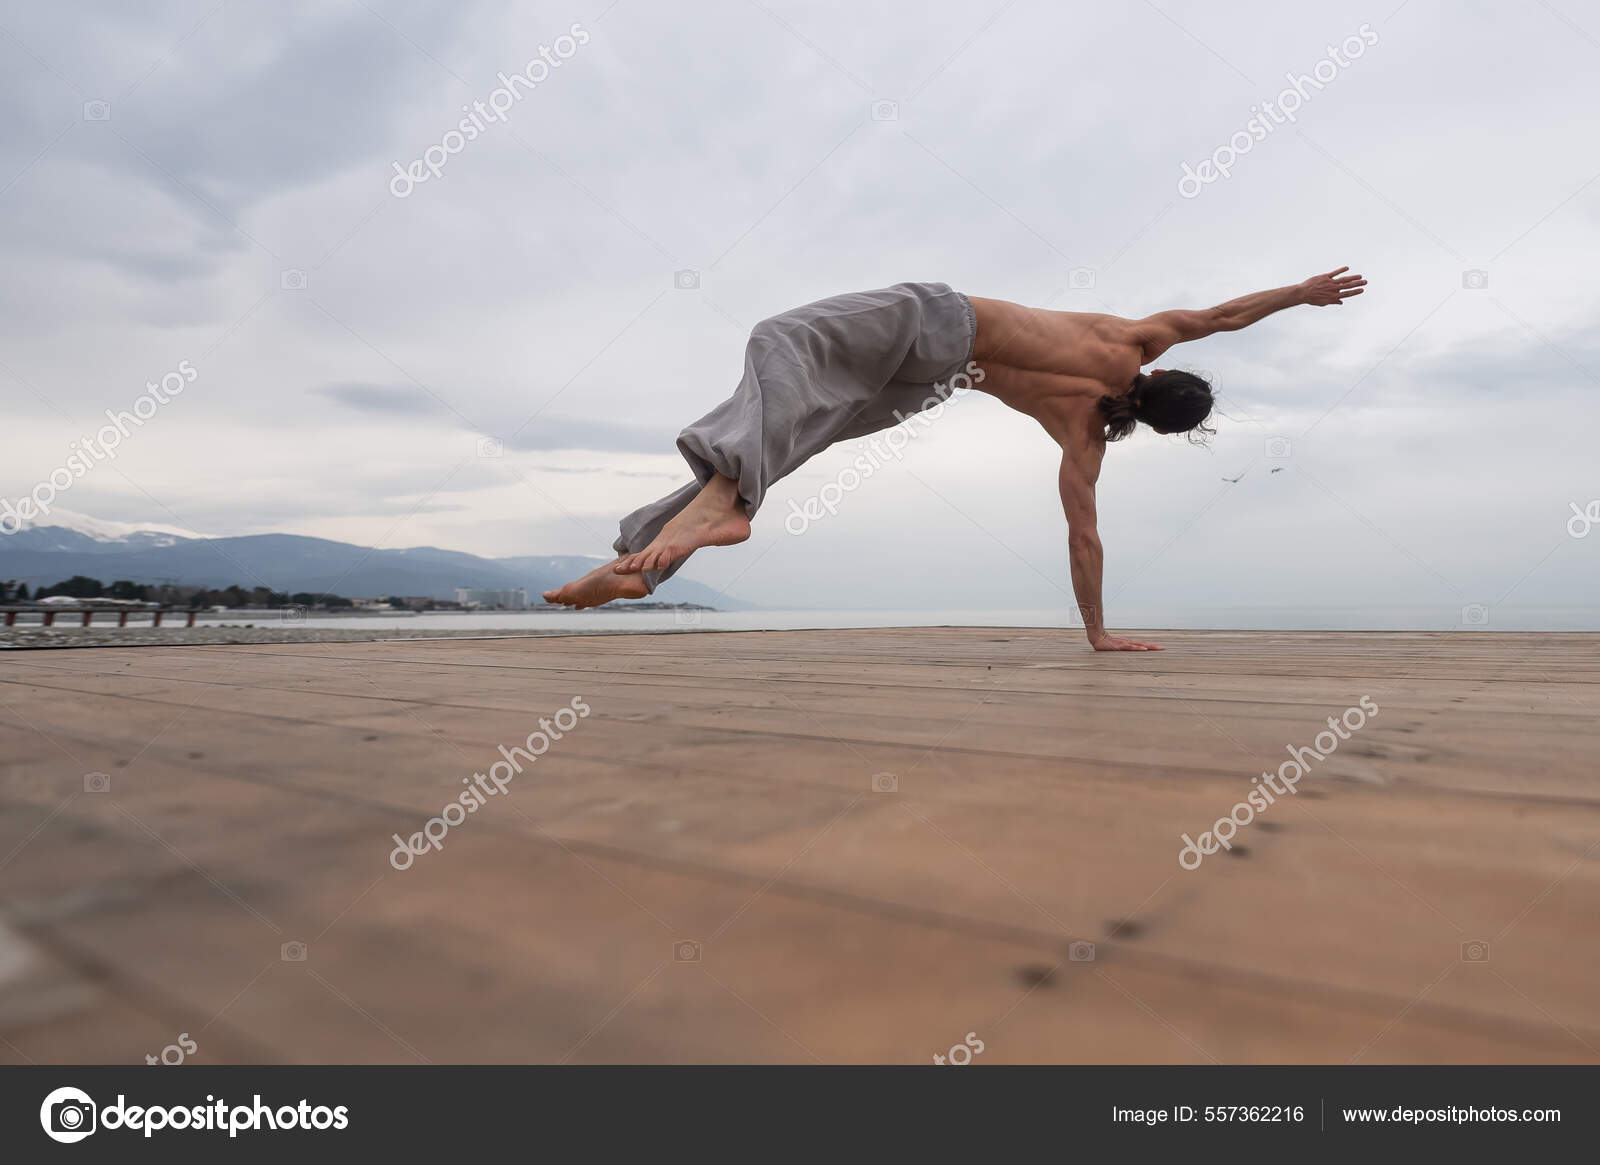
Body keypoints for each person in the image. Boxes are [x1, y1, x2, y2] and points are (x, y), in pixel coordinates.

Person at [543, 268, 1366, 650]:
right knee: (785, 429)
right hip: (929, 382)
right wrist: (1098, 632)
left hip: (940, 328)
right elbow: (1084, 537)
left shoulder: (1129, 338)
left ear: (1161, 372)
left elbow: (1220, 315)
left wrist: (1301, 293)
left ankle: (725, 509)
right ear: (1153, 419)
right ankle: (649, 558)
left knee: (781, 342)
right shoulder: (1084, 435)